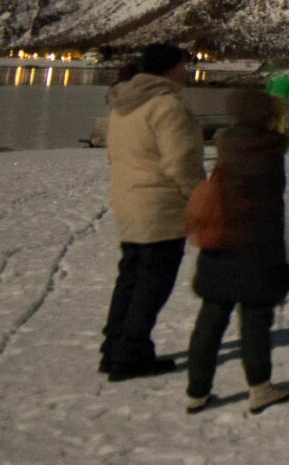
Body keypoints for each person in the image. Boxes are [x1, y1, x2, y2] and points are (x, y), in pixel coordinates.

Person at [183, 87, 289, 415]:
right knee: (256, 323)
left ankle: (196, 391)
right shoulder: (267, 154)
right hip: (255, 250)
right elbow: (270, 215)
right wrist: (279, 267)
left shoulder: (227, 145)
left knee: (210, 321)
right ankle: (260, 388)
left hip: (219, 245)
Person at [101, 43, 206, 380]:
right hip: (160, 206)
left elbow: (113, 155)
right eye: (182, 65)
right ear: (169, 69)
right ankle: (131, 352)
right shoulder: (166, 106)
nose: (185, 71)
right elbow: (181, 162)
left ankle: (113, 347)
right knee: (153, 282)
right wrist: (199, 197)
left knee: (131, 276)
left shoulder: (121, 106)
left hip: (128, 202)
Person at [263, 68, 289, 134]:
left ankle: (269, 130)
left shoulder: (273, 78)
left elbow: (267, 88)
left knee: (271, 115)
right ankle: (280, 132)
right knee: (282, 116)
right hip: (282, 99)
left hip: (272, 97)